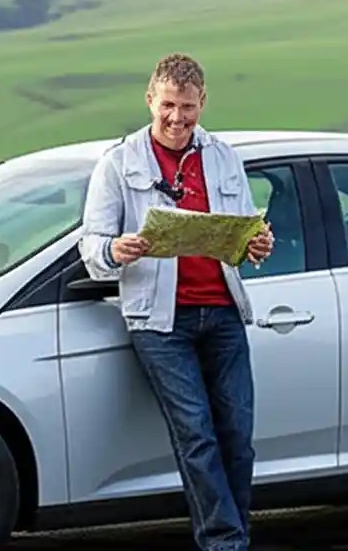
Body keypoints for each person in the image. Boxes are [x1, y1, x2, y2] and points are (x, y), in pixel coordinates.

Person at [78, 53, 274, 551]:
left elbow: (244, 230)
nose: (177, 118)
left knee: (238, 436)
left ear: (202, 102)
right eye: (167, 105)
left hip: (223, 311)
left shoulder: (224, 157)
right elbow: (91, 246)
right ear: (150, 100)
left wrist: (256, 245)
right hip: (160, 322)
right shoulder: (119, 163)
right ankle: (225, 542)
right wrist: (115, 251)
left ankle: (233, 537)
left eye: (187, 107)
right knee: (197, 435)